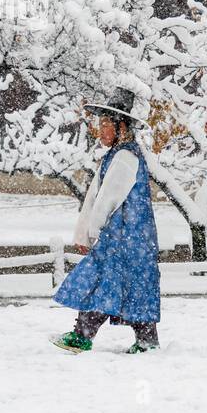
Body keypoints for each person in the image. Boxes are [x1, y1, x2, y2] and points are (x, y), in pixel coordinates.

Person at [52, 89, 161, 354]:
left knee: (103, 282)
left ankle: (82, 335)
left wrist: (93, 232)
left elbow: (107, 199)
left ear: (121, 126)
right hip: (132, 237)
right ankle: (146, 341)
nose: (100, 130)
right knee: (133, 286)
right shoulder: (121, 154)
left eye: (105, 124)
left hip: (123, 236)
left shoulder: (125, 157)